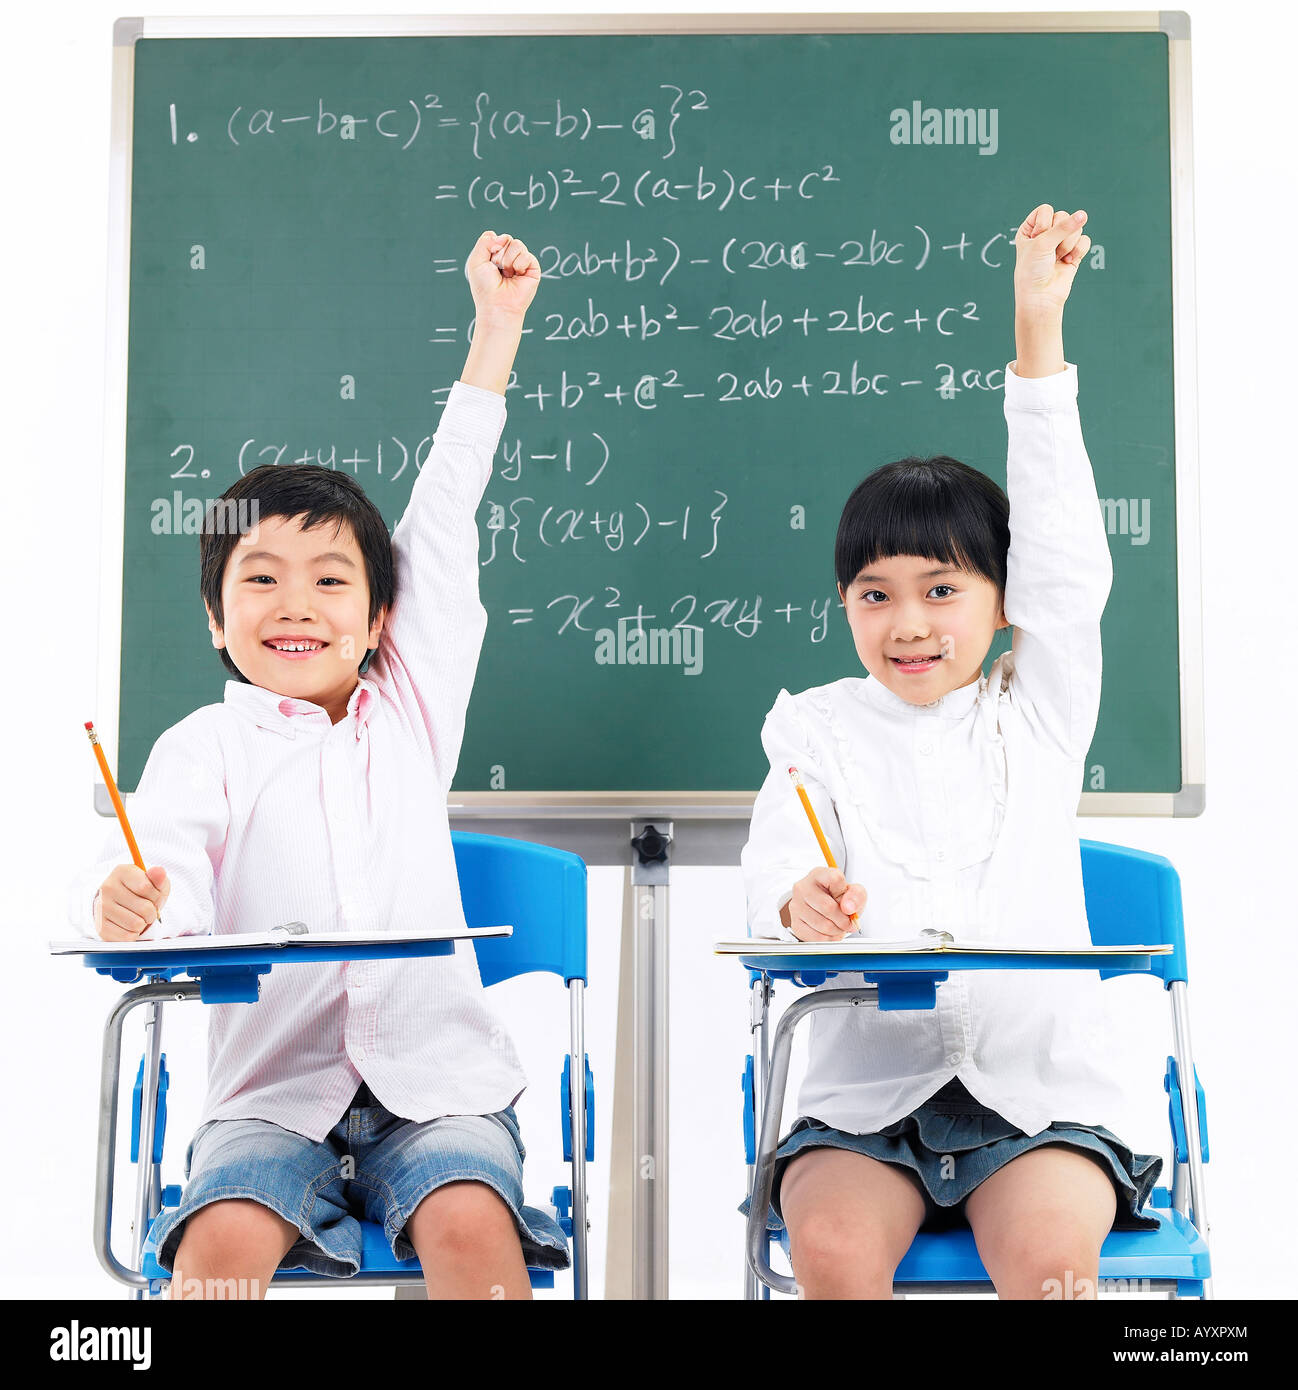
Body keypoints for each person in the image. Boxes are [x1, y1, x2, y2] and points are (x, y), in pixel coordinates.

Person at [67, 230, 564, 1299]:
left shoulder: (411, 712)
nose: (295, 604)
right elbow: (169, 878)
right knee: (214, 1259)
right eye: (260, 579)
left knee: (477, 1238)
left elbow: (440, 522)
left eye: (331, 581)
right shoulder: (202, 748)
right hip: (266, 1095)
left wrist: (495, 334)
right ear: (214, 614)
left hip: (440, 1091)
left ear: (381, 617)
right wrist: (138, 904)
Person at [740, 203, 1161, 1300]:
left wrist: (1035, 331)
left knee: (1052, 1267)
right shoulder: (815, 730)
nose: (907, 622)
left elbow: (1066, 562)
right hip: (862, 1100)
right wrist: (798, 901)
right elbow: (775, 860)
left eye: (940, 590)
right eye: (873, 595)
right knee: (829, 1256)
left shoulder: (1036, 711)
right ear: (843, 605)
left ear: (1001, 601)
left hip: (1038, 1095)